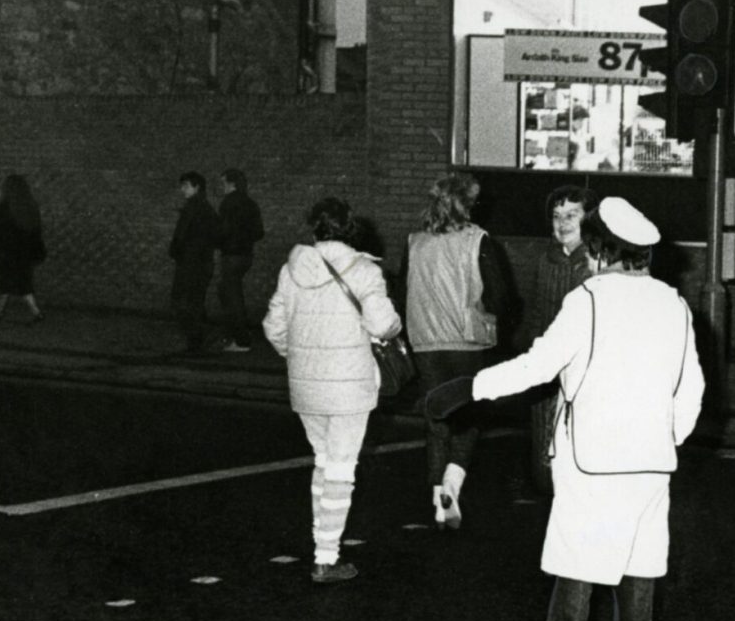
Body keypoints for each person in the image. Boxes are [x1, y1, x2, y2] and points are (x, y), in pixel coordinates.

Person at [425, 197, 703, 621]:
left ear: (599, 251)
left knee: (578, 560)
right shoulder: (674, 305)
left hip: (592, 458)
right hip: (650, 460)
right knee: (640, 566)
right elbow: (692, 390)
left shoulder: (589, 299)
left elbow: (537, 366)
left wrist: (471, 388)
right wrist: (668, 439)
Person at [263, 197, 403, 584]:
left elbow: (274, 328)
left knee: (324, 463)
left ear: (315, 229)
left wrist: (302, 356)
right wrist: (392, 328)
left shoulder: (291, 270)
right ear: (351, 229)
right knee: (342, 469)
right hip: (349, 385)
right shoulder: (364, 271)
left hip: (306, 385)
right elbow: (383, 324)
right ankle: (326, 558)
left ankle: (321, 545)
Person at [405, 172, 513, 527]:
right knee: (469, 419)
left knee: (437, 422)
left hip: (425, 343)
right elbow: (499, 296)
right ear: (467, 205)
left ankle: (439, 502)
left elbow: (402, 289)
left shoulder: (415, 242)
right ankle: (453, 483)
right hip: (468, 342)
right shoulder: (478, 241)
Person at [518, 184, 596, 495]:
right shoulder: (543, 260)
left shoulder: (594, 263)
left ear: (588, 219)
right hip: (549, 369)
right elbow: (536, 313)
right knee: (544, 444)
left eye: (571, 215)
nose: (562, 223)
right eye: (556, 216)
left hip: (583, 371)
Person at [168, 171, 222, 354]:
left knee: (182, 300)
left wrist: (176, 251)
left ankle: (196, 339)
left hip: (190, 262)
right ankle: (200, 337)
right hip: (201, 261)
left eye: (186, 185)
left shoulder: (193, 208)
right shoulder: (206, 208)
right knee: (194, 300)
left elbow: (181, 235)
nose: (182, 189)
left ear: (196, 187)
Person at [215, 169, 265, 353]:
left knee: (232, 297)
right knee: (230, 293)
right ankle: (235, 335)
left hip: (231, 255)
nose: (222, 187)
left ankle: (241, 340)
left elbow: (223, 231)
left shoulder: (228, 203)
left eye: (223, 183)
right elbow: (259, 232)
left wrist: (221, 242)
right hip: (246, 255)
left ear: (231, 183)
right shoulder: (251, 203)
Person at [0, 174, 45, 323]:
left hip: (7, 252)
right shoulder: (30, 205)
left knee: (7, 282)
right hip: (25, 252)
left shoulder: (5, 207)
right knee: (23, 281)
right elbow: (36, 230)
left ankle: (35, 312)